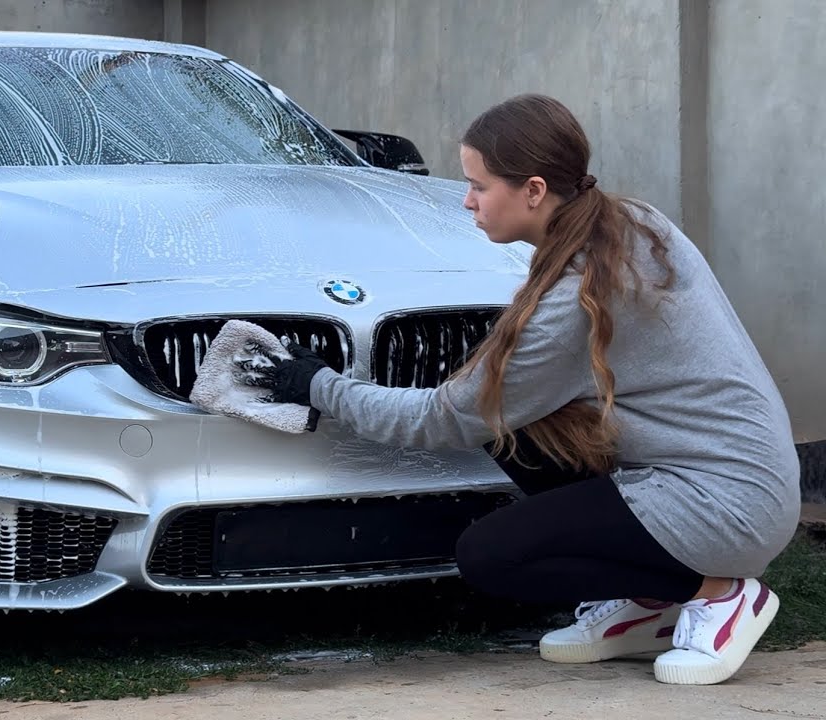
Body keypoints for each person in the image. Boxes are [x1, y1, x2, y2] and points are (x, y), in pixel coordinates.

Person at [270, 94, 801, 685]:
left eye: (479, 185)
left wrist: (319, 384)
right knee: (514, 428)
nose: (467, 200)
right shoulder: (635, 224)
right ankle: (653, 609)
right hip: (756, 478)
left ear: (534, 190)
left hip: (722, 508)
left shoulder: (577, 298)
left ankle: (716, 592)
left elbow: (443, 419)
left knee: (493, 556)